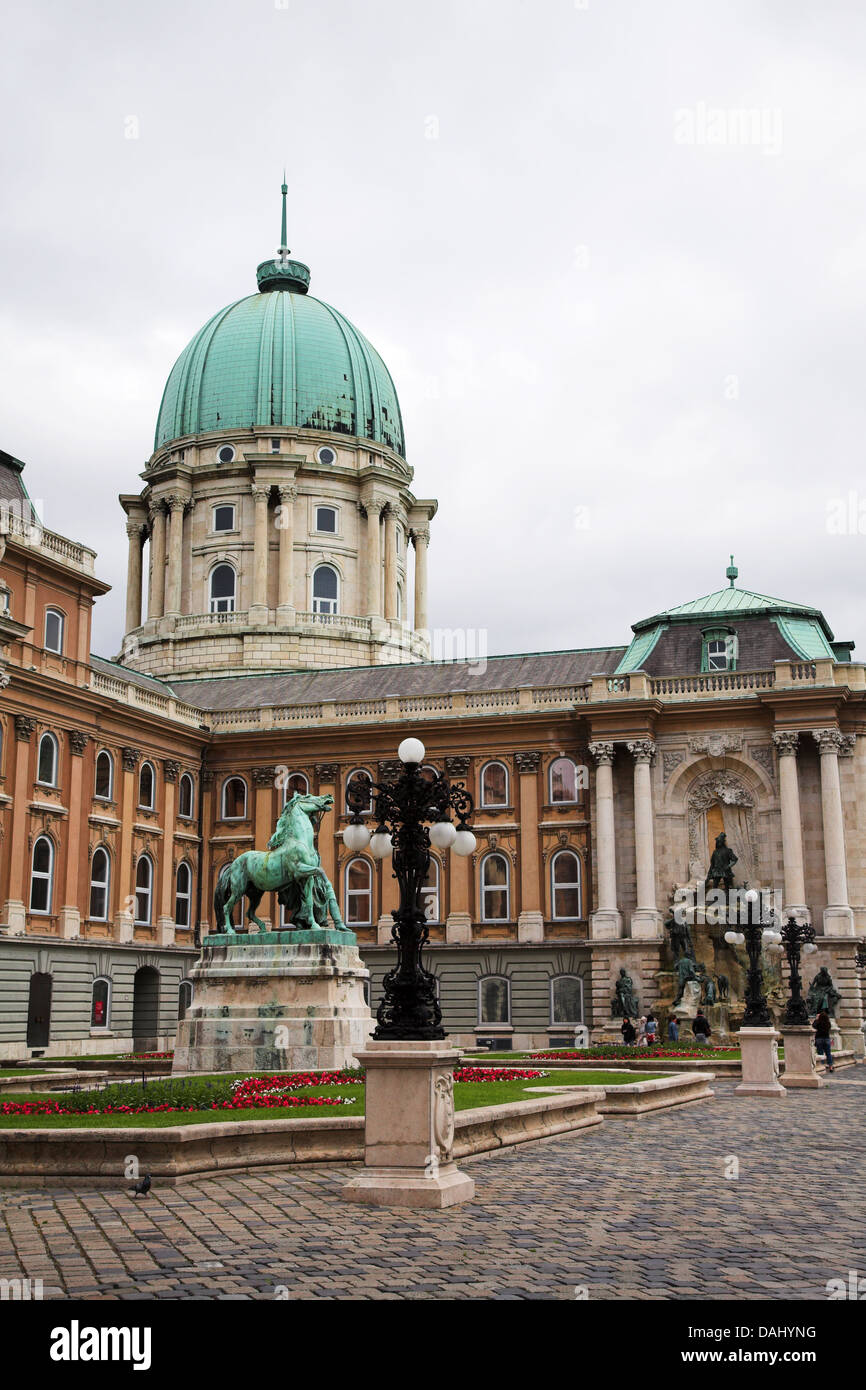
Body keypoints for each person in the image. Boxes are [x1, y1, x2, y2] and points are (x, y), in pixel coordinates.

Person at [813, 1008, 835, 1073]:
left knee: (820, 1053)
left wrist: (816, 1019)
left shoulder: (818, 1022)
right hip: (826, 1039)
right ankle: (830, 1066)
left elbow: (813, 1026)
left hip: (819, 1039)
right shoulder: (828, 1023)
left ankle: (822, 1066)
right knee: (828, 1053)